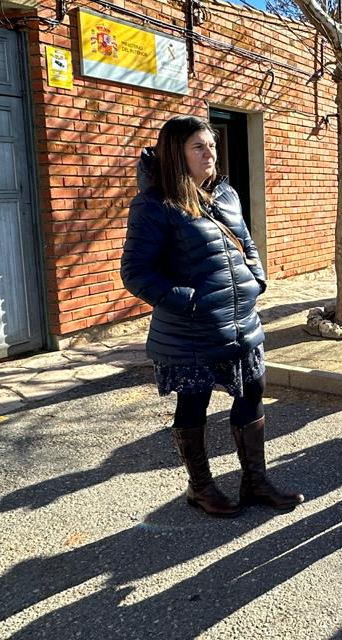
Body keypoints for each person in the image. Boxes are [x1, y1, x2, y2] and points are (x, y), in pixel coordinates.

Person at [121, 115, 303, 518]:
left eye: (212, 145)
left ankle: (255, 481)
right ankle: (199, 487)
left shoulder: (225, 194)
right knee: (194, 403)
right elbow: (135, 272)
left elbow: (247, 242)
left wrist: (257, 279)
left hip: (241, 321)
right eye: (198, 147)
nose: (210, 153)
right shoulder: (155, 204)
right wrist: (190, 300)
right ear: (176, 153)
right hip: (192, 330)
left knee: (252, 393)